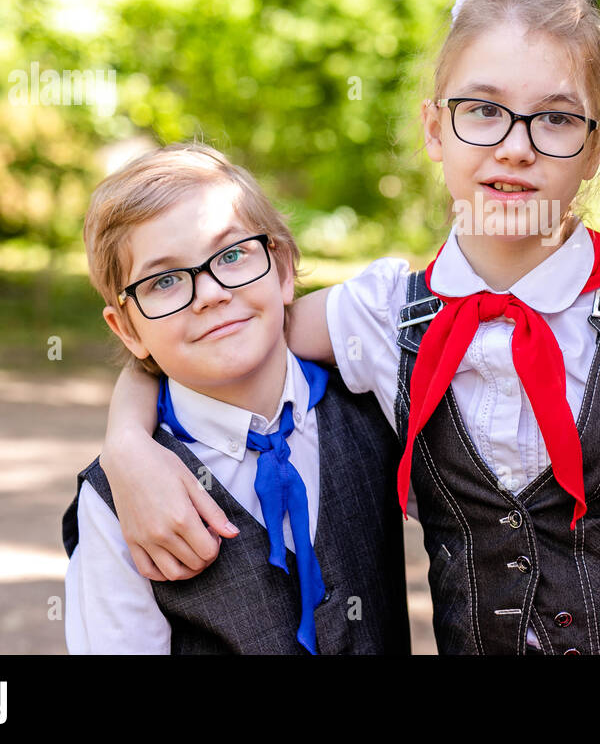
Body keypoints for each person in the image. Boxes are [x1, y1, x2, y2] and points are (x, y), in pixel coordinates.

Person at [100, 0, 600, 654]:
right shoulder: (381, 314)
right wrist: (127, 448)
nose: (516, 147)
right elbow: (228, 329)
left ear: (594, 144)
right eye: (482, 111)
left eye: (554, 117)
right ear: (434, 129)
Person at [62, 143, 409, 654]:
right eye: (164, 281)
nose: (211, 294)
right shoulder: (114, 501)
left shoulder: (374, 405)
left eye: (230, 255)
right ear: (128, 329)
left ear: (283, 267)